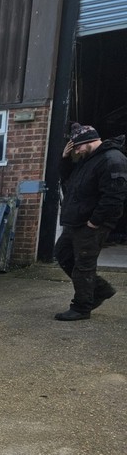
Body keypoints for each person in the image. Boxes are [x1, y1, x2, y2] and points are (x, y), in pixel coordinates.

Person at [53, 123, 127, 321]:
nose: (76, 151)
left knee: (83, 265)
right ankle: (100, 289)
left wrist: (95, 222)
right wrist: (65, 158)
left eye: (77, 147)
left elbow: (114, 196)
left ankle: (81, 307)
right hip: (76, 222)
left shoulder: (112, 159)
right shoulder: (88, 160)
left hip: (91, 224)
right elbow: (68, 180)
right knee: (63, 254)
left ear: (89, 141)